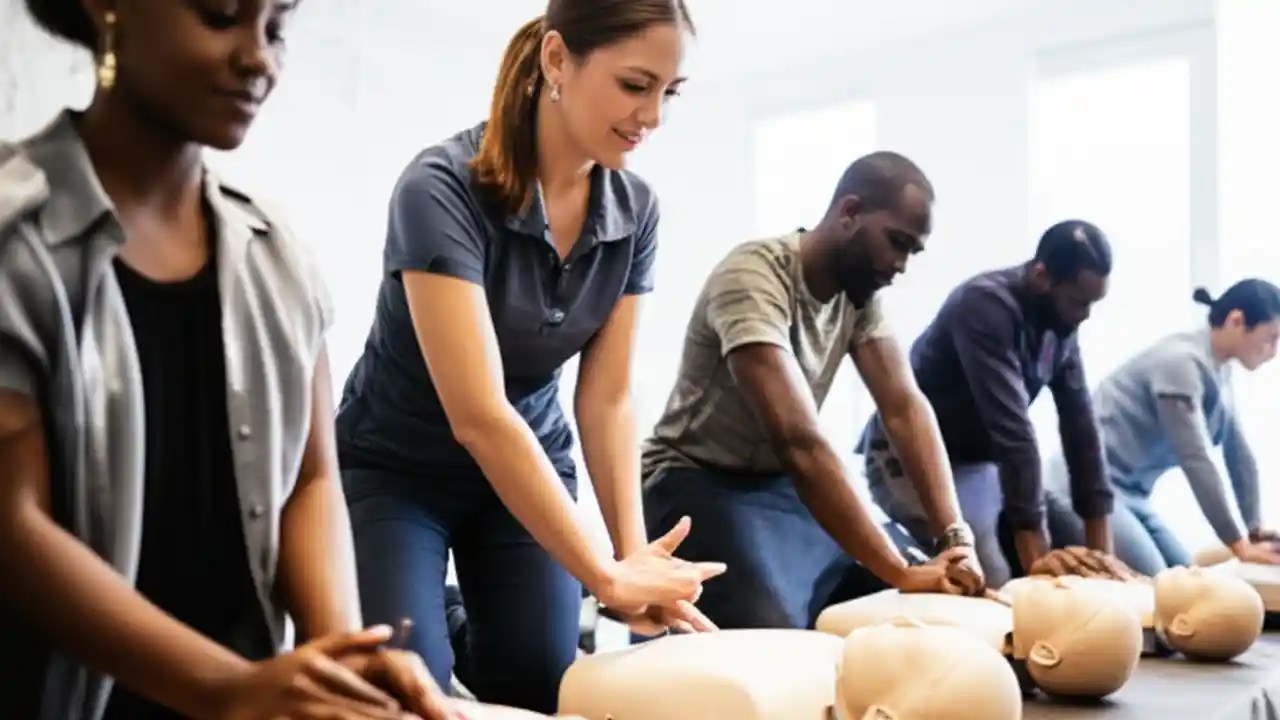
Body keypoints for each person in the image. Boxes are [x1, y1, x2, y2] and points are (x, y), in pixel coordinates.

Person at [0, 2, 453, 720]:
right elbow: (12, 524)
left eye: (276, 29)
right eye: (221, 15)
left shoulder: (277, 256)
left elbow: (311, 478)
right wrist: (226, 689)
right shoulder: (13, 237)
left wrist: (343, 661)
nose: (259, 58)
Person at [335, 1, 722, 713]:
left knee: (539, 680)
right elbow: (479, 415)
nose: (653, 116)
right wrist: (603, 579)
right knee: (406, 686)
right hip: (397, 468)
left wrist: (633, 559)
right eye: (635, 85)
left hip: (526, 469)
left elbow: (605, 398)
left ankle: (447, 614)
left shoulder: (636, 212)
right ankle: (419, 613)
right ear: (555, 61)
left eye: (669, 93)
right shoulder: (439, 188)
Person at [638, 152, 985, 632]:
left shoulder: (859, 296)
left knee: (915, 609)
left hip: (781, 487)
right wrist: (901, 571)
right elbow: (798, 440)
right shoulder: (753, 275)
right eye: (897, 243)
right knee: (774, 631)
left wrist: (954, 538)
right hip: (694, 479)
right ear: (849, 213)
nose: (901, 265)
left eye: (913, 252)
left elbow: (904, 407)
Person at [860, 221, 1115, 588]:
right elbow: (1013, 432)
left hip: (979, 465)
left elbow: (1081, 430)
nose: (1085, 314)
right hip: (908, 459)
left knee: (1077, 550)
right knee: (986, 572)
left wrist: (1103, 560)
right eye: (1079, 301)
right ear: (1042, 276)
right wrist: (1039, 577)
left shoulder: (1061, 322)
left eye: (1093, 303)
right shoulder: (984, 305)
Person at [1046, 280, 1280, 575]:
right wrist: (1238, 545)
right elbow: (1195, 457)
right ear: (1237, 321)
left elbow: (1239, 456)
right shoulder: (1180, 361)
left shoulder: (1219, 369)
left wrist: (1254, 528)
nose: (1273, 351)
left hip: (1133, 496)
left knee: (1189, 578)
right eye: (1271, 338)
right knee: (1161, 586)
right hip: (1083, 489)